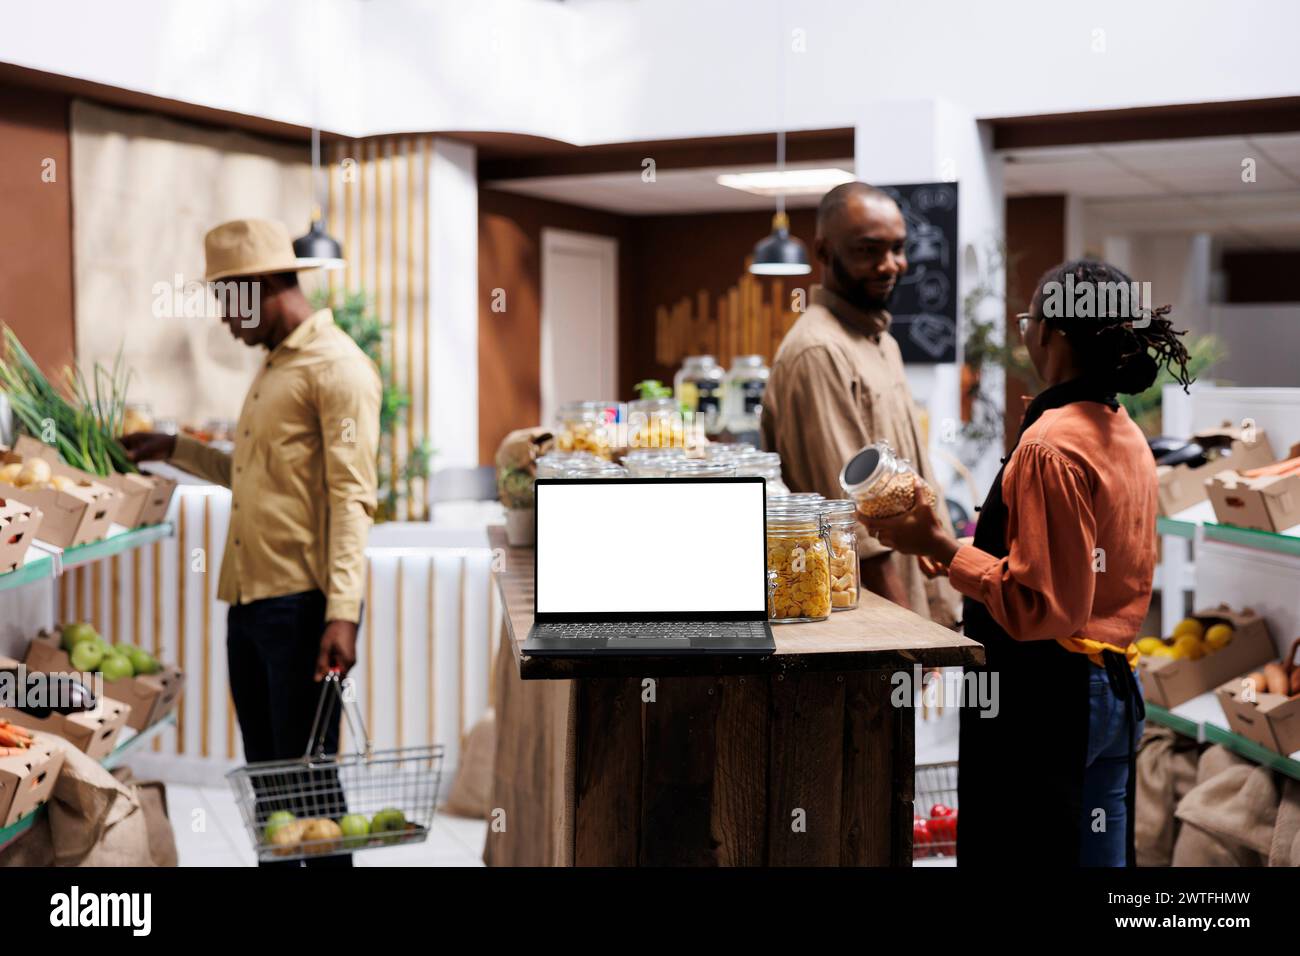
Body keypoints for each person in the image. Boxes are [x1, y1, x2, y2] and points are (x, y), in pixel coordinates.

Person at [862, 258, 1193, 867]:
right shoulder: (1123, 432)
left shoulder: (1050, 443)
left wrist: (939, 548)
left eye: (1028, 320)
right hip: (1114, 692)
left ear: (1050, 333)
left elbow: (1046, 606)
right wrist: (957, 556)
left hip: (1049, 702)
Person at [123, 218, 382, 867]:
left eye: (225, 300)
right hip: (252, 607)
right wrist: (176, 450)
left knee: (311, 793)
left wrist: (343, 614)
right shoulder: (276, 368)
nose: (222, 319)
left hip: (303, 610)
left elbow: (352, 498)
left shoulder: (338, 368)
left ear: (261, 285)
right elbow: (250, 472)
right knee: (272, 790)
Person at [761, 181, 956, 623]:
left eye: (898, 248)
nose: (889, 265)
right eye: (868, 250)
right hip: (878, 624)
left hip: (923, 606)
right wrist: (908, 644)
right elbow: (849, 523)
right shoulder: (819, 351)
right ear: (824, 251)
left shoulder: (881, 342)